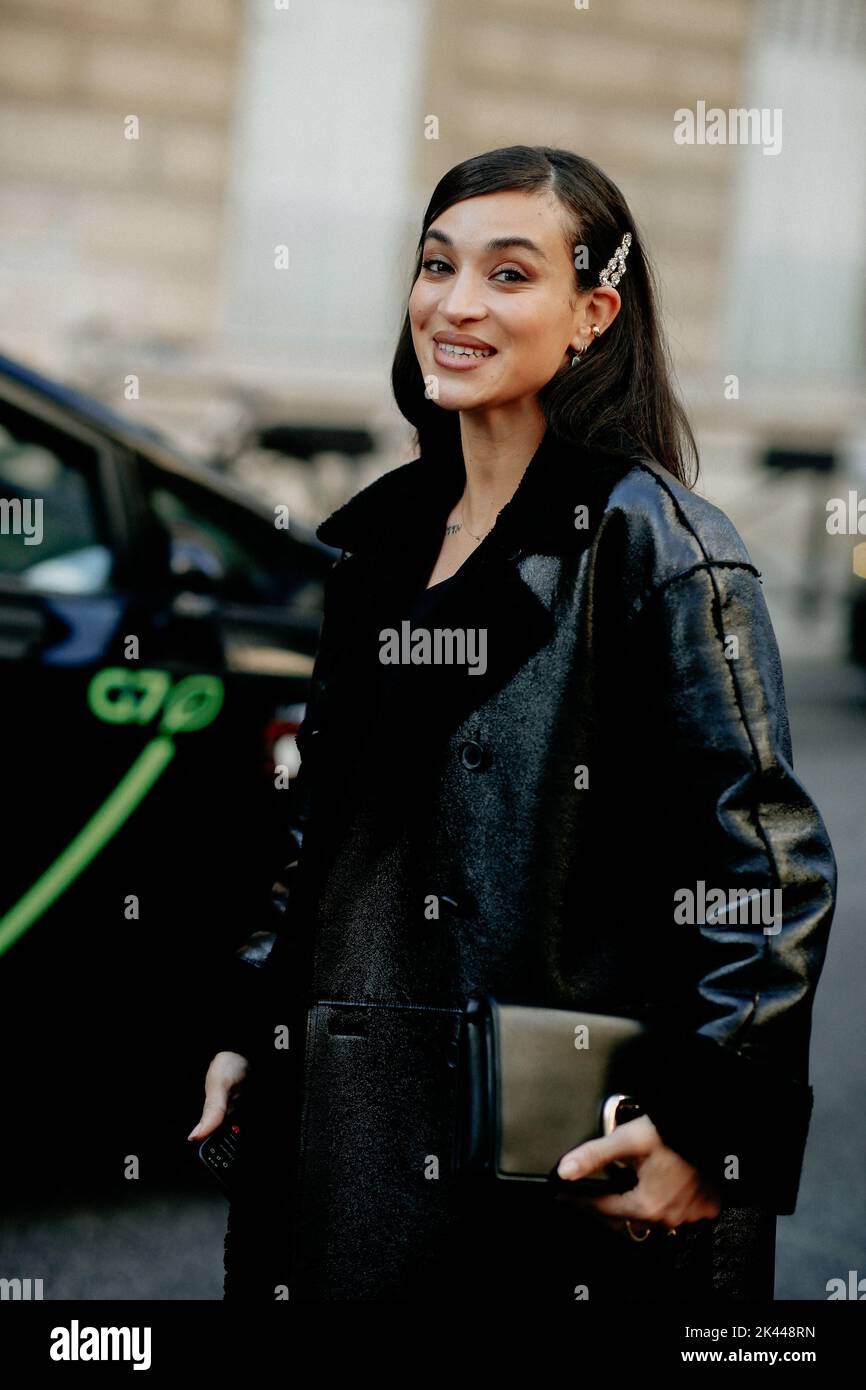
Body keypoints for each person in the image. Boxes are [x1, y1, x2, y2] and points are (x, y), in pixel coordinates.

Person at [188, 145, 837, 1302]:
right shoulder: (377, 539)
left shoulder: (656, 549)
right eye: (436, 266)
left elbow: (766, 872)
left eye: (507, 274)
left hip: (542, 1149)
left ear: (592, 313)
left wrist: (701, 1124)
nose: (455, 303)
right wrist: (253, 1021)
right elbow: (314, 829)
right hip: (342, 1122)